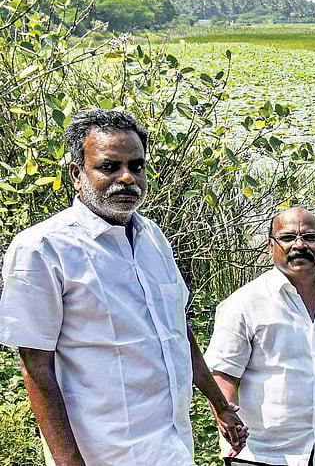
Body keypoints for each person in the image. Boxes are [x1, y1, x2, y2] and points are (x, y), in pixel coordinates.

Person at [0, 109, 246, 465]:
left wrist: (220, 404)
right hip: (104, 450)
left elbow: (177, 329)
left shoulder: (153, 237)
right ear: (77, 173)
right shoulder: (43, 248)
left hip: (172, 444)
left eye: (137, 166)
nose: (127, 178)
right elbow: (36, 367)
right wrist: (70, 462)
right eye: (109, 167)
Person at [205, 207, 315, 466]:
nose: (299, 245)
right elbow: (223, 374)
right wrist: (228, 419)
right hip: (260, 455)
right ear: (270, 246)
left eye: (310, 237)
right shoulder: (245, 303)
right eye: (288, 238)